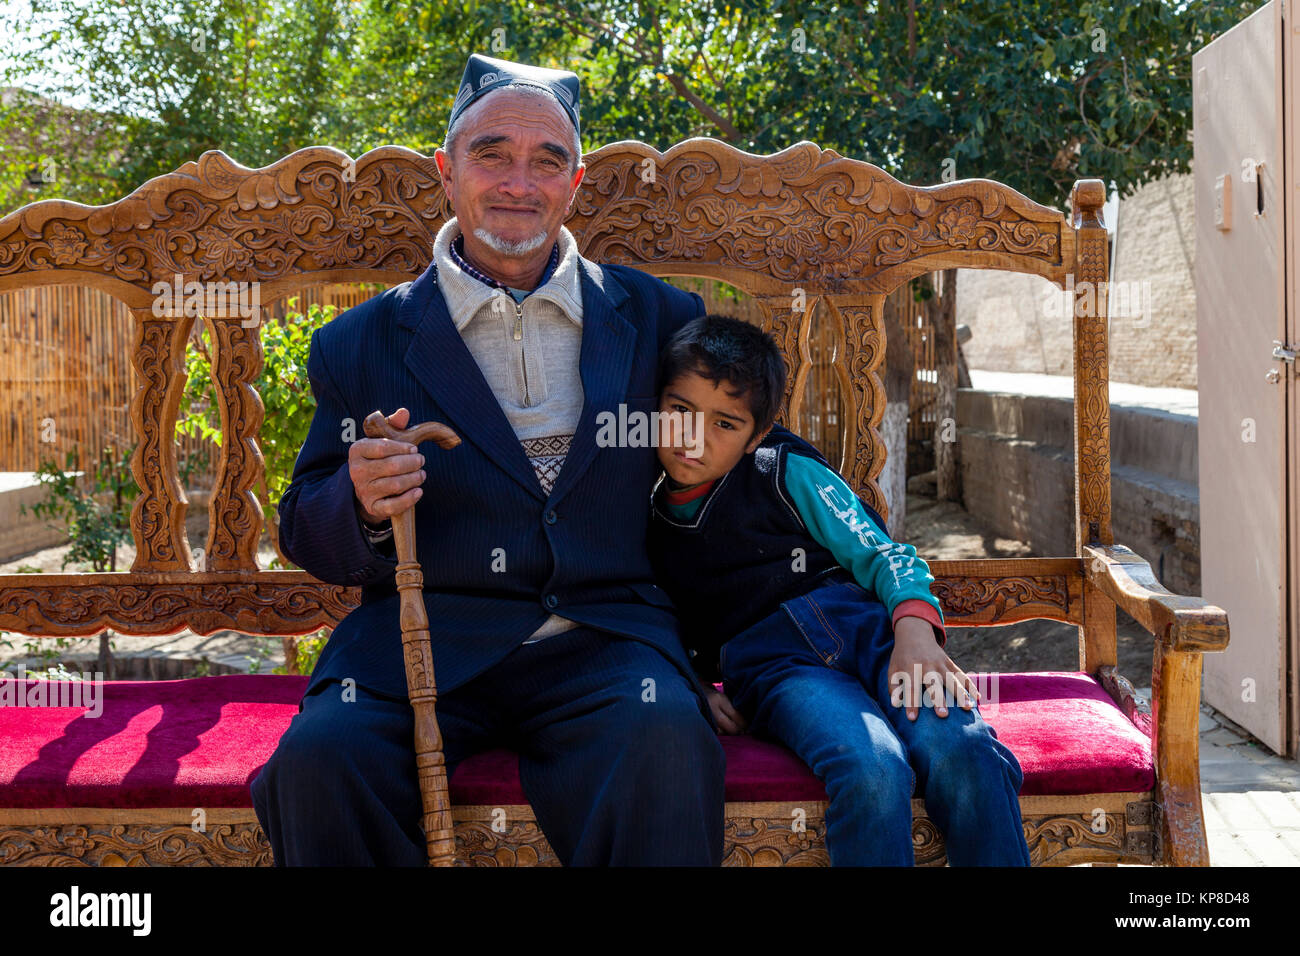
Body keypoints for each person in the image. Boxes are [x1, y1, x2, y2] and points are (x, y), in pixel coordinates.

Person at [251, 54, 725, 866]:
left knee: (663, 739)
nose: (519, 181)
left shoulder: (655, 317)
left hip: (603, 640)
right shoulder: (361, 343)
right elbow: (306, 523)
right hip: (421, 643)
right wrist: (360, 501)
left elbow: (737, 461)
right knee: (322, 762)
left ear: (576, 183)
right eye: (492, 154)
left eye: (548, 161)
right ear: (446, 172)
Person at [646, 314, 1031, 866]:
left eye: (725, 424)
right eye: (680, 411)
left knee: (965, 751)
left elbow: (883, 555)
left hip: (874, 637)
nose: (694, 440)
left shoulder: (783, 470)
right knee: (873, 768)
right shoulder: (647, 526)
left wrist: (916, 634)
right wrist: (692, 687)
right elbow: (650, 621)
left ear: (757, 434)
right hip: (780, 671)